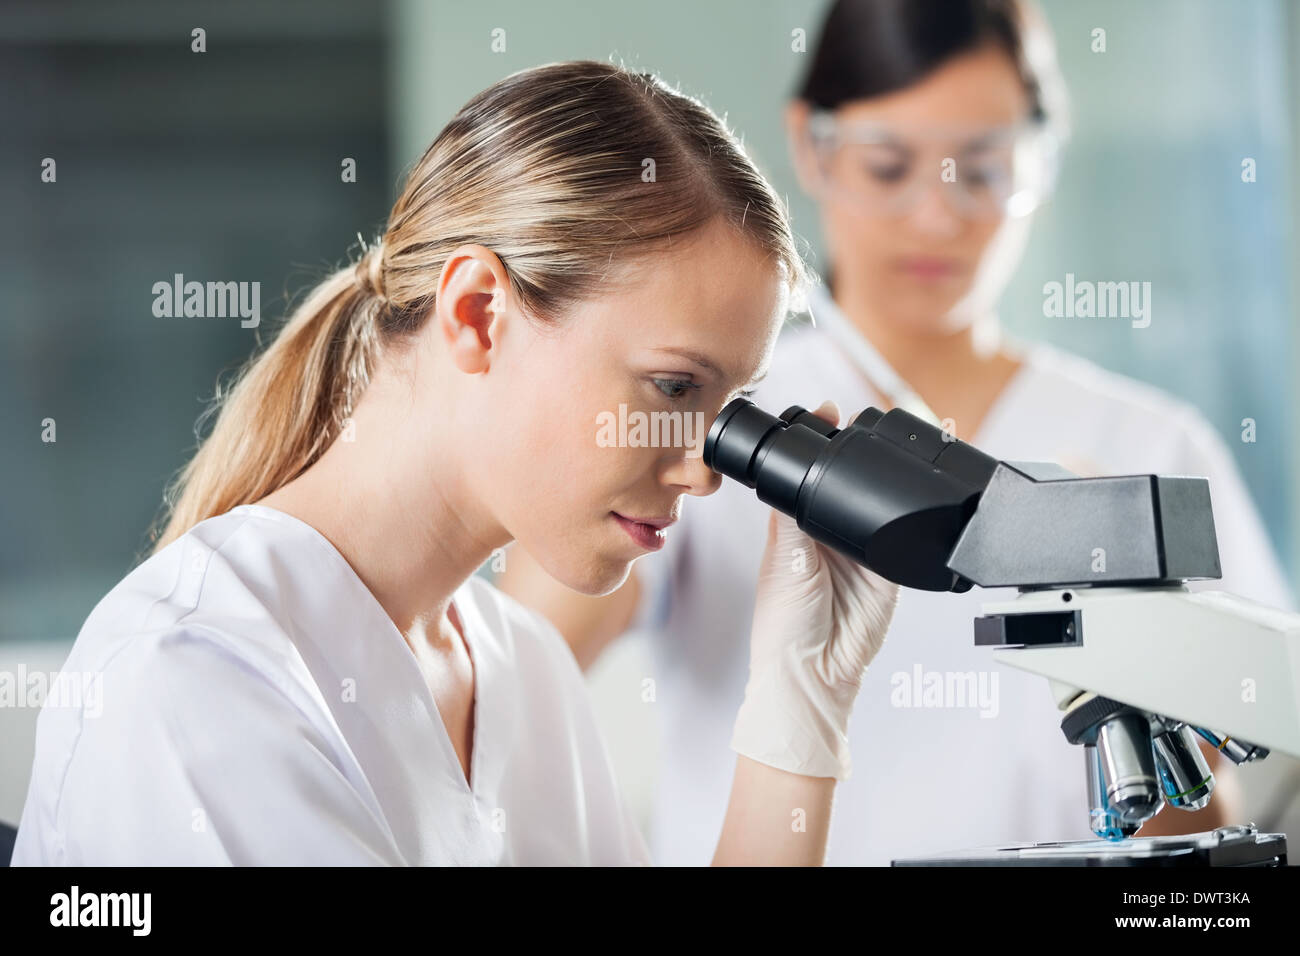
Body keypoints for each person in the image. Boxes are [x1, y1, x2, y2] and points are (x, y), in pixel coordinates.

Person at [11, 60, 901, 866]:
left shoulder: (526, 673)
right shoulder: (196, 675)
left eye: (727, 410)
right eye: (674, 389)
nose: (703, 472)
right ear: (477, 313)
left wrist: (799, 704)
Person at [497, 0, 1295, 865]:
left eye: (983, 171)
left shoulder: (1153, 446)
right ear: (810, 144)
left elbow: (1209, 844)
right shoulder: (702, 415)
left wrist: (1140, 655)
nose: (935, 217)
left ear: (1043, 161)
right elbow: (506, 695)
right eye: (887, 167)